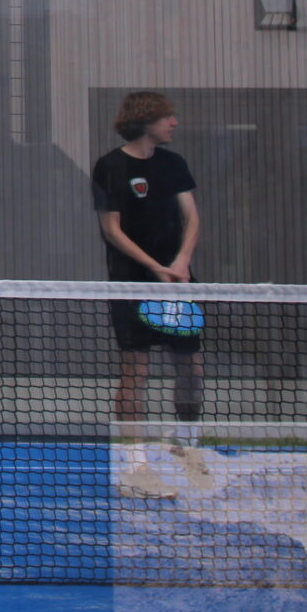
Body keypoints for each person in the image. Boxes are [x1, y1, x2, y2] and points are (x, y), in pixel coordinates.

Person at [90, 91, 206, 500]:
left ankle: (185, 444)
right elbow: (112, 229)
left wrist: (181, 262)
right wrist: (154, 268)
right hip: (132, 284)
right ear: (145, 120)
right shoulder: (110, 167)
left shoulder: (174, 164)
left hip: (178, 285)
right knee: (135, 374)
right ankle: (136, 465)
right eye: (167, 117)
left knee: (191, 368)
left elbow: (191, 216)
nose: (174, 123)